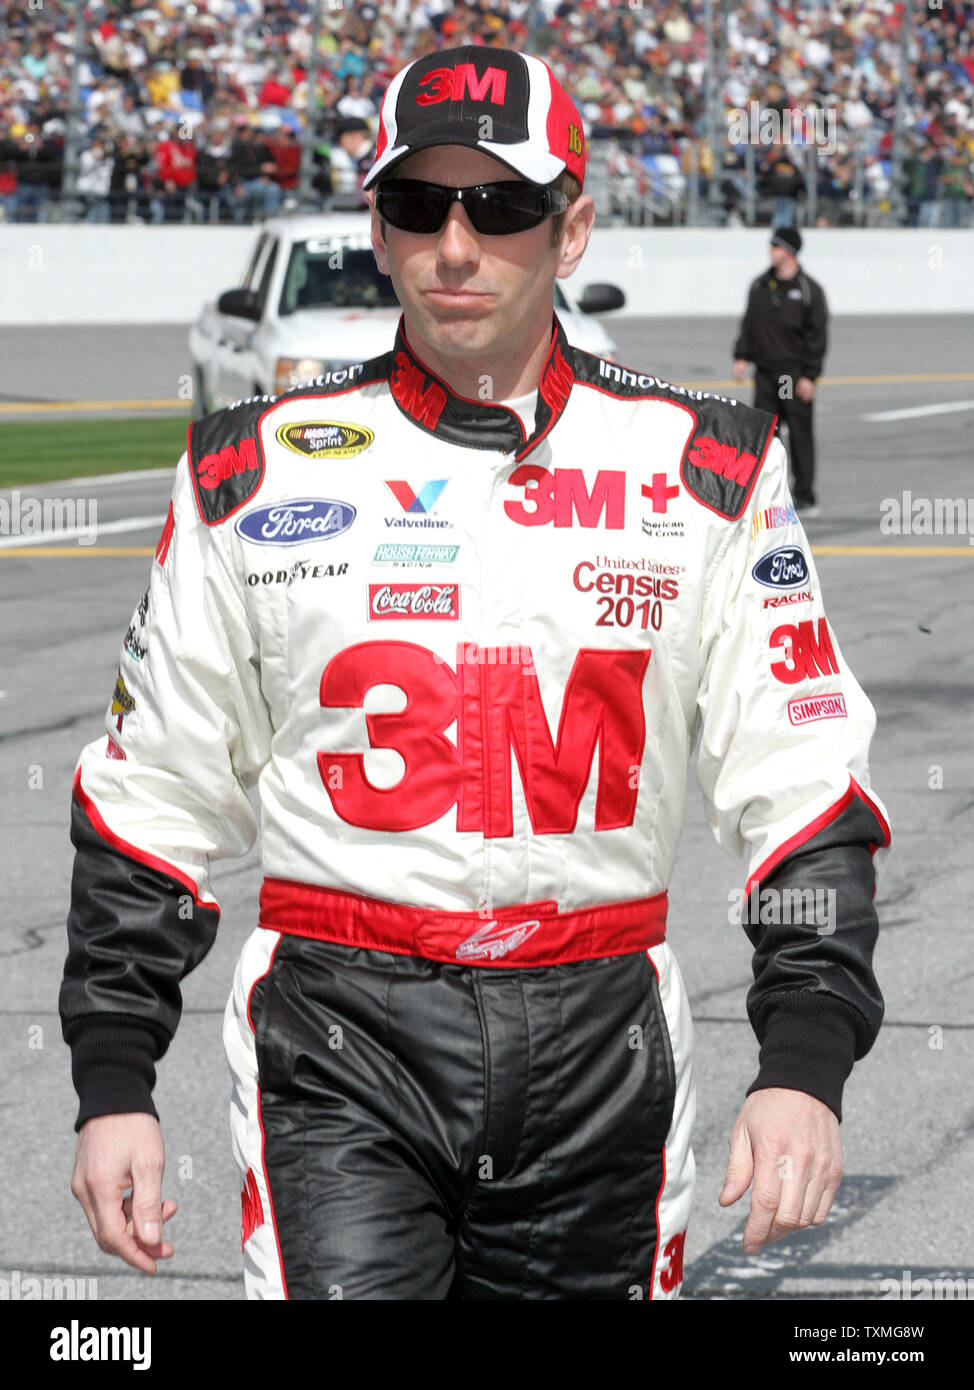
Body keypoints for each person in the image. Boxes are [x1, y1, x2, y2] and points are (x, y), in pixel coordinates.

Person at [61, 44, 890, 1300]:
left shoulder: (708, 468)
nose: (455, 246)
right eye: (418, 204)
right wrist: (115, 1079)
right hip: (339, 1032)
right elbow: (153, 793)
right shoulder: (250, 470)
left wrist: (803, 1062)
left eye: (499, 206)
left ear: (571, 229)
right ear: (377, 230)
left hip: (600, 1038)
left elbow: (803, 785)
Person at [732, 225, 828, 515]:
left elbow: (817, 336)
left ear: (789, 251)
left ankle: (805, 495)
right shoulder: (760, 285)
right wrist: (742, 357)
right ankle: (767, 493)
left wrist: (809, 376)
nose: (770, 251)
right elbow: (749, 324)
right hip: (764, 374)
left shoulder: (808, 290)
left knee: (797, 431)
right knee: (765, 433)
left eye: (775, 246)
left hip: (790, 376)